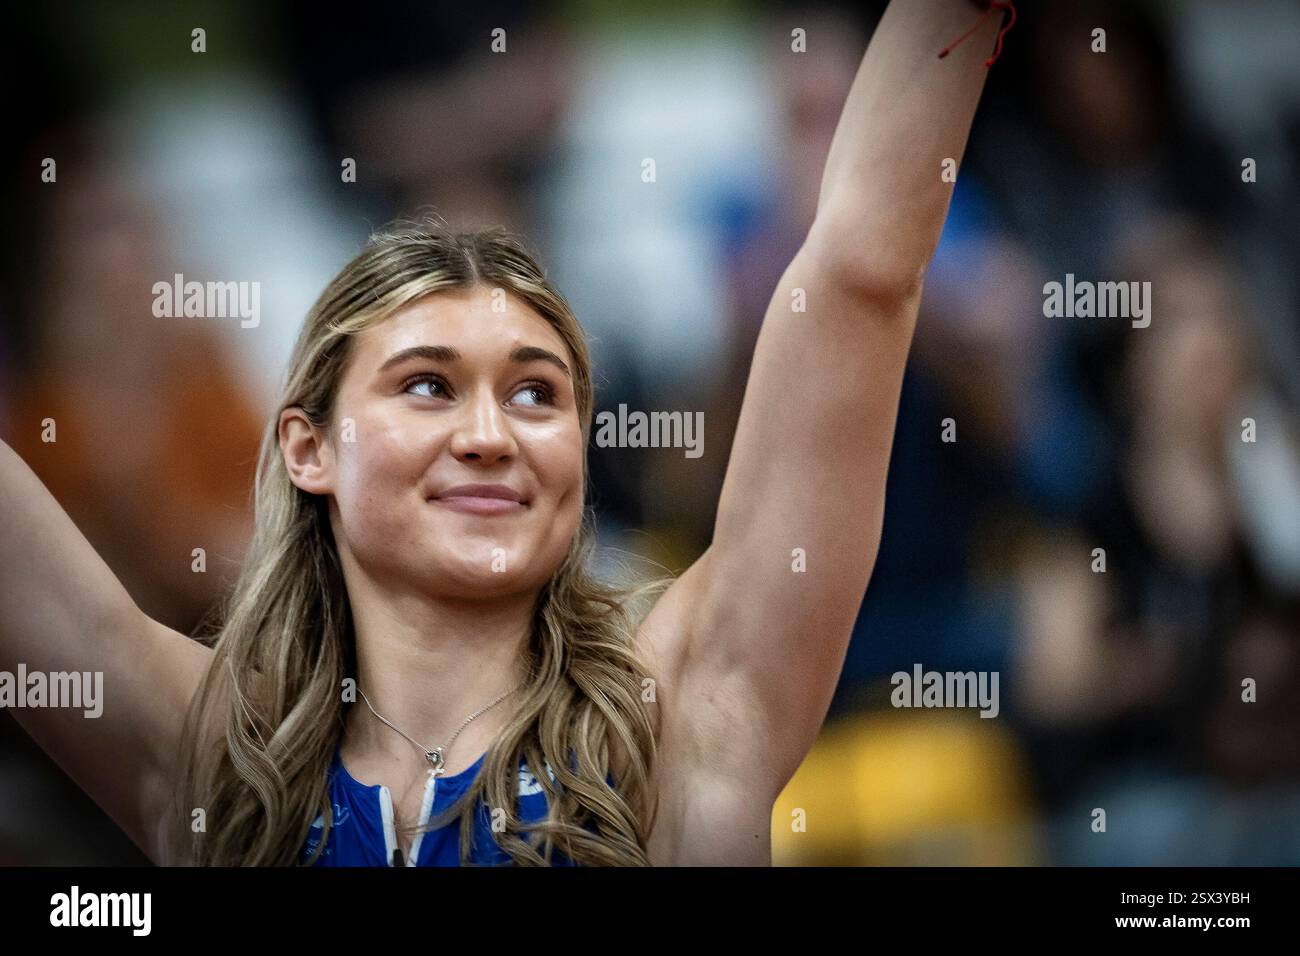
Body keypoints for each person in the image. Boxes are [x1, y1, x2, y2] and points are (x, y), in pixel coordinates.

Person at [0, 0, 1008, 866]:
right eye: (428, 385)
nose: (490, 434)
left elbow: (858, 271)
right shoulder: (215, 756)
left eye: (535, 395)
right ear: (308, 448)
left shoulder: (683, 728)